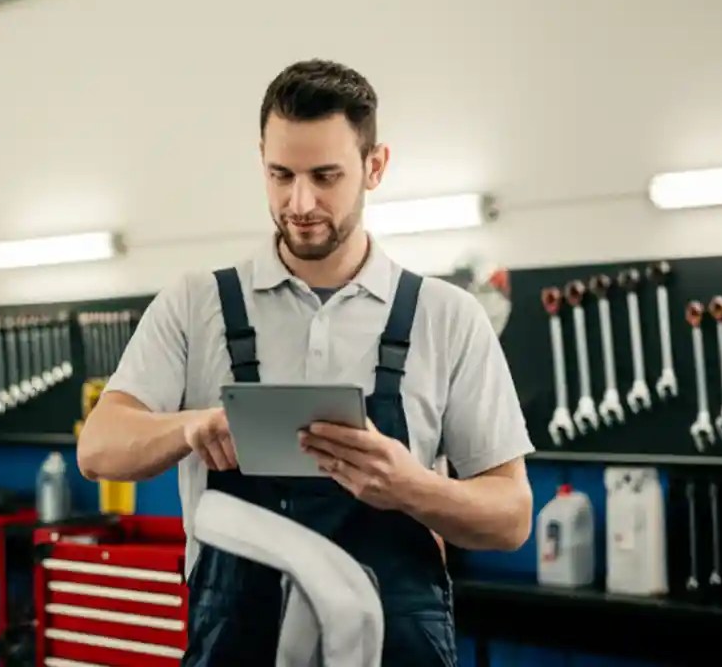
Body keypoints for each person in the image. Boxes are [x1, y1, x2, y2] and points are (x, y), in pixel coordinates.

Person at [76, 58, 534, 666]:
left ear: (375, 168)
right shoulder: (197, 303)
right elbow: (99, 449)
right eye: (280, 175)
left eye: (325, 175)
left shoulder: (447, 317)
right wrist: (190, 427)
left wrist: (409, 486)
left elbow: (511, 517)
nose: (300, 202)